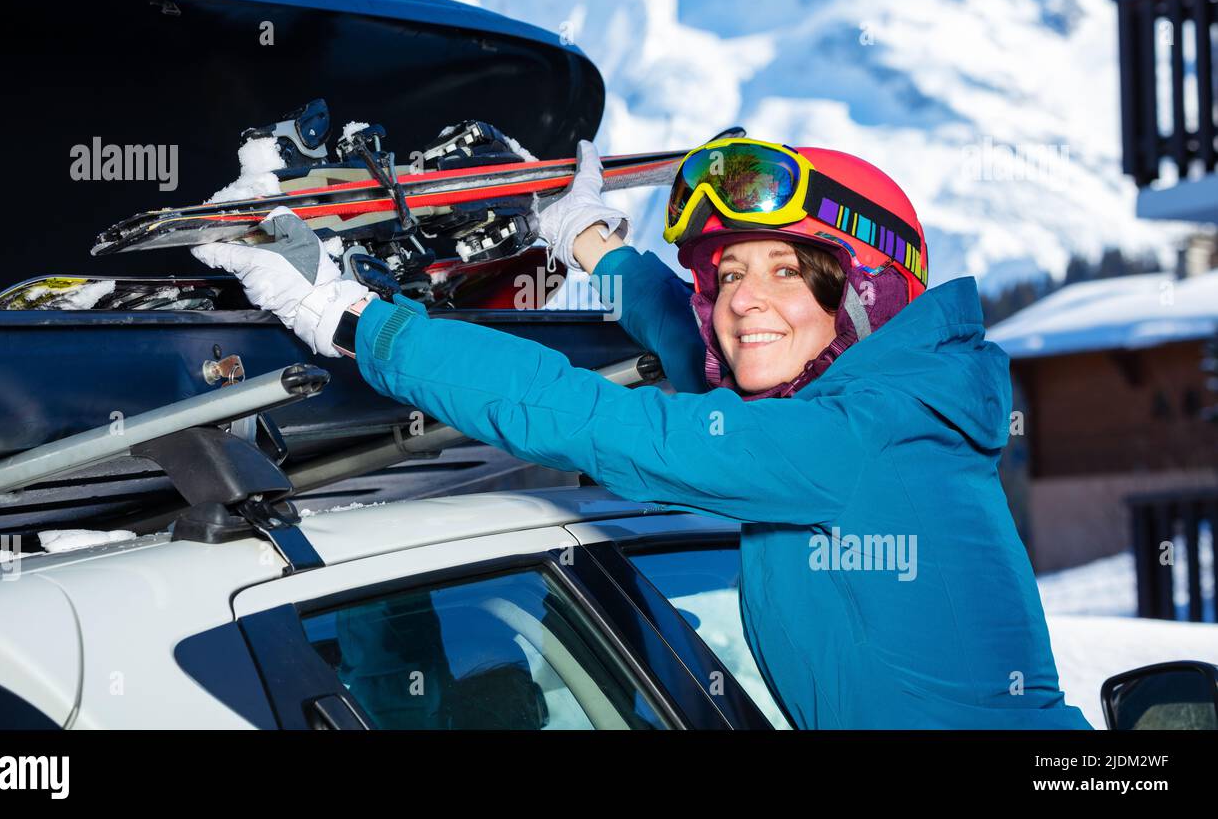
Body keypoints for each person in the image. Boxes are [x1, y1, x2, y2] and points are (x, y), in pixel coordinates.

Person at [191, 136, 1092, 730]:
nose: (743, 298)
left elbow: (605, 422)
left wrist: (354, 320)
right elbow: (700, 346)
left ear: (865, 290)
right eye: (728, 271)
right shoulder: (891, 407)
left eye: (786, 269)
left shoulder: (852, 444)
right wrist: (593, 245)